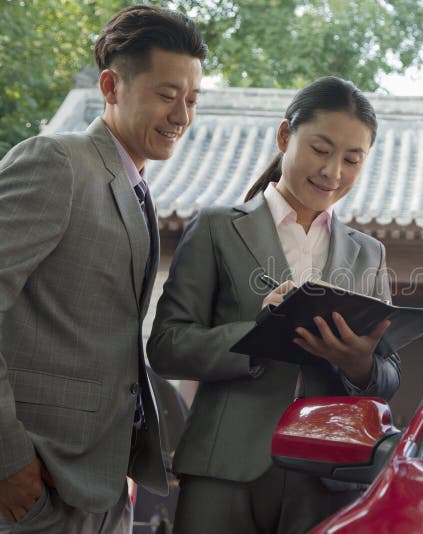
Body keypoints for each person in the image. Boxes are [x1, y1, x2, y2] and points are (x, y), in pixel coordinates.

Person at [147, 76, 401, 533]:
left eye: (352, 159)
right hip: (223, 470)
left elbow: (387, 375)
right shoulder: (217, 228)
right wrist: (260, 336)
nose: (333, 172)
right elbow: (166, 345)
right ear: (285, 137)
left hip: (328, 475)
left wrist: (360, 364)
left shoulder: (368, 254)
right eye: (321, 150)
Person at [0, 5, 206, 532]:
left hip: (103, 482)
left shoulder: (136, 187)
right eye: (166, 95)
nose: (181, 115)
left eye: (191, 99)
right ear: (111, 86)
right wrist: (9, 460)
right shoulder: (56, 162)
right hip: (36, 479)